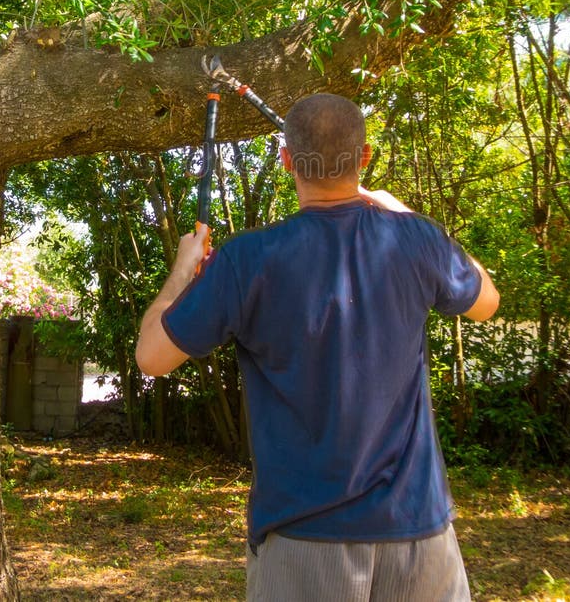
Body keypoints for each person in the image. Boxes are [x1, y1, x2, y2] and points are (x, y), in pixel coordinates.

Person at [136, 93, 499, 602]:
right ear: (364, 157)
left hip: (304, 541)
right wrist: (406, 212)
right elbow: (487, 300)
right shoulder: (416, 240)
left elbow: (151, 357)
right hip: (420, 536)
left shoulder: (248, 260)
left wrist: (181, 270)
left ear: (287, 161)